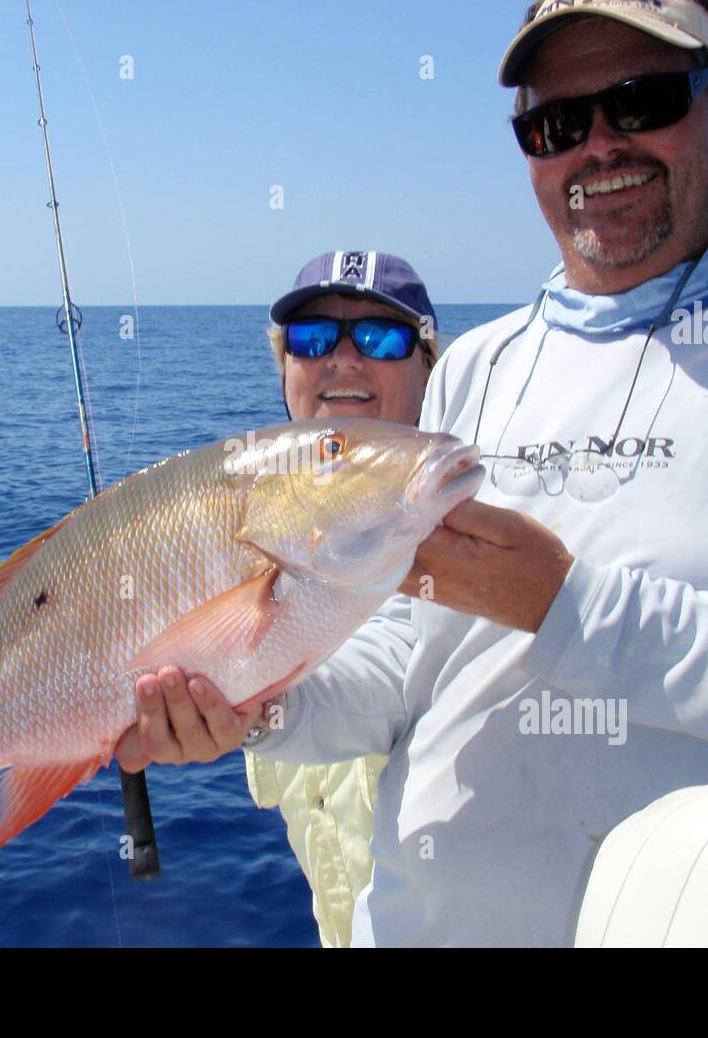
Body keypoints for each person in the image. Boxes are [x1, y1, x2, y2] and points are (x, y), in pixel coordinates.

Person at [118, 0, 708, 946]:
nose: (598, 145)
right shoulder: (482, 366)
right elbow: (401, 663)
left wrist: (571, 610)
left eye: (641, 100)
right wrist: (258, 708)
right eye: (554, 122)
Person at [248, 252, 441, 948]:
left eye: (382, 338)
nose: (342, 361)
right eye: (311, 339)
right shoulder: (253, 537)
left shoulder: (478, 524)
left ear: (430, 364)